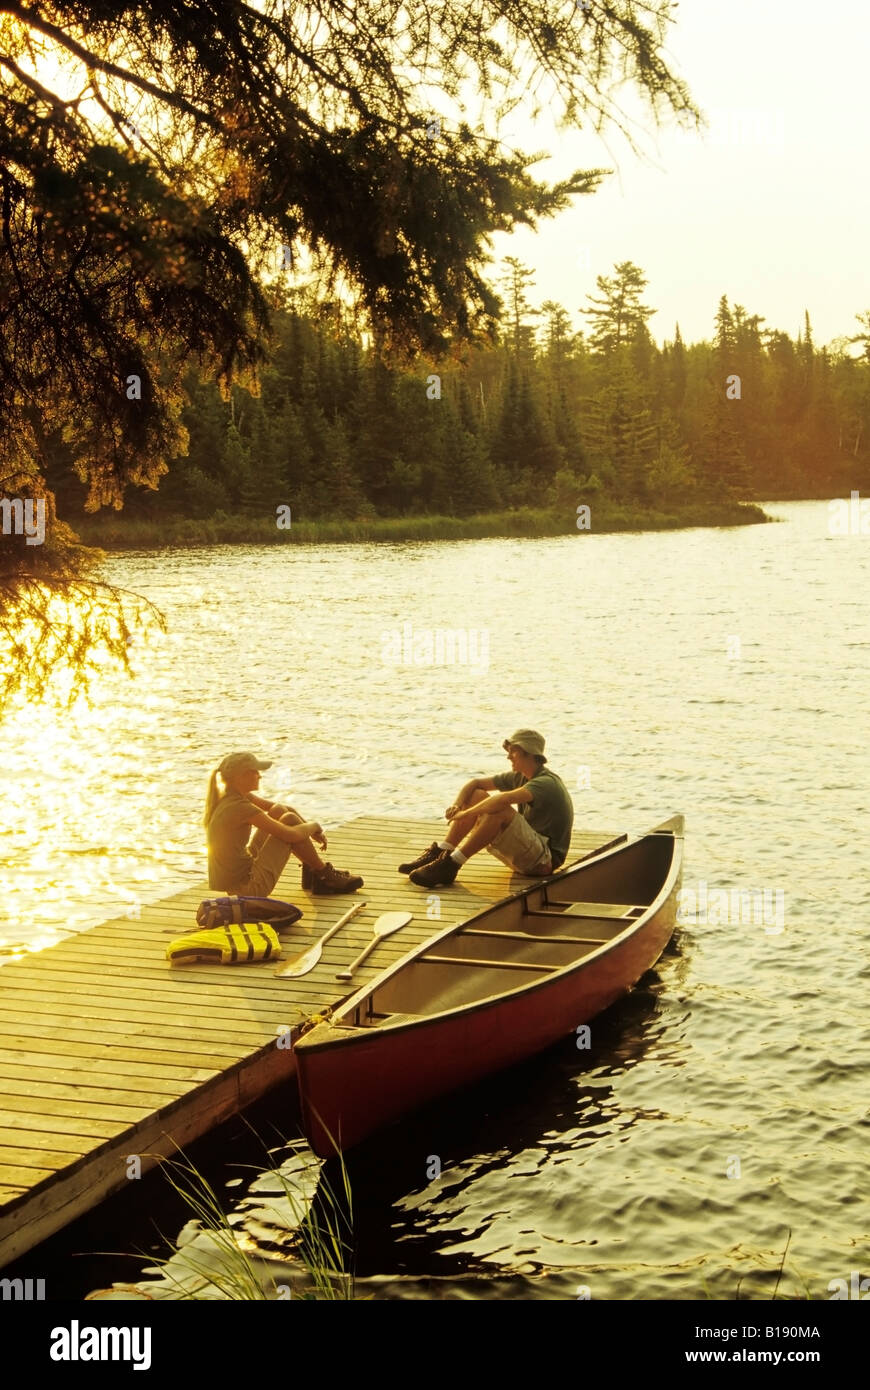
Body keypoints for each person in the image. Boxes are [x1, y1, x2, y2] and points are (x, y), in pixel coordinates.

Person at [399, 729, 574, 888]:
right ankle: (442, 852)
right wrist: (457, 806)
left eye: (513, 751)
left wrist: (465, 814)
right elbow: (475, 784)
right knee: (477, 795)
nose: (509, 756)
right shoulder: (519, 777)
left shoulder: (546, 782)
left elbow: (503, 800)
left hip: (543, 862)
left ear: (529, 753)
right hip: (527, 856)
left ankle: (451, 865)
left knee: (500, 809)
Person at [204, 751, 364, 896]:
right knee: (290, 825)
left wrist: (308, 827)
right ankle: (323, 875)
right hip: (248, 888)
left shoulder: (230, 796)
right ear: (241, 777)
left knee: (284, 814)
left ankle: (314, 871)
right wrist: (315, 826)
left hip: (242, 873)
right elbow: (291, 835)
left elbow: (279, 809)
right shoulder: (240, 807)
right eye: (255, 772)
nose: (260, 776)